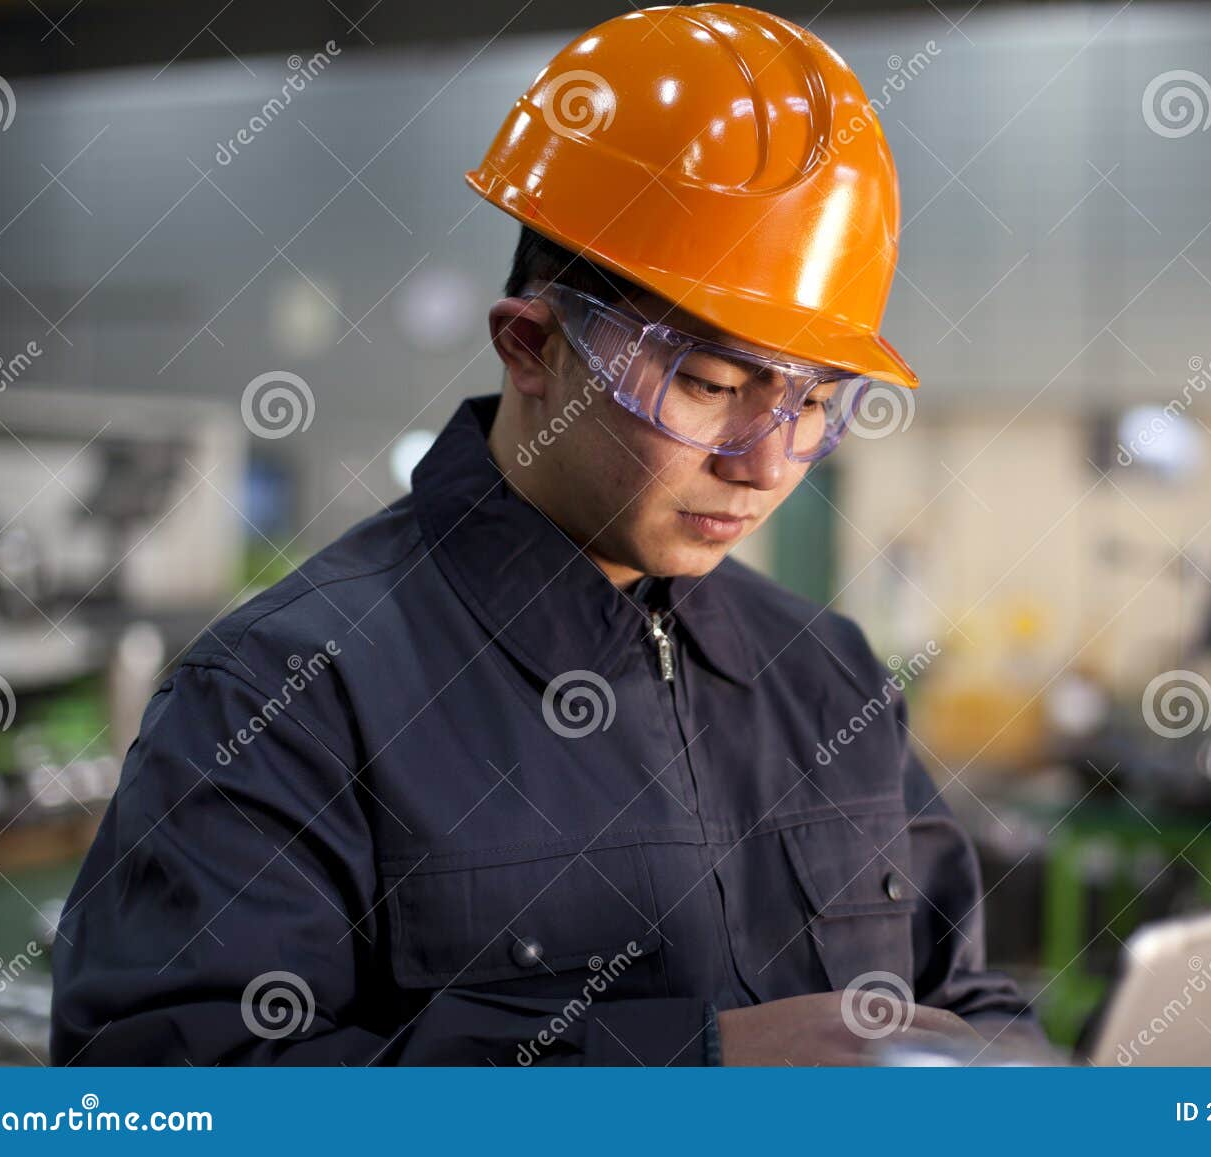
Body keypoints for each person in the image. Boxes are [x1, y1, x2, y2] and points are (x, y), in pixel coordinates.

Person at [51, 3, 1053, 1066]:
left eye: (812, 405)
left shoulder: (826, 673)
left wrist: (1007, 1066)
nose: (764, 463)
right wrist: (685, 1073)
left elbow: (960, 993)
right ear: (532, 347)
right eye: (709, 384)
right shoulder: (287, 696)